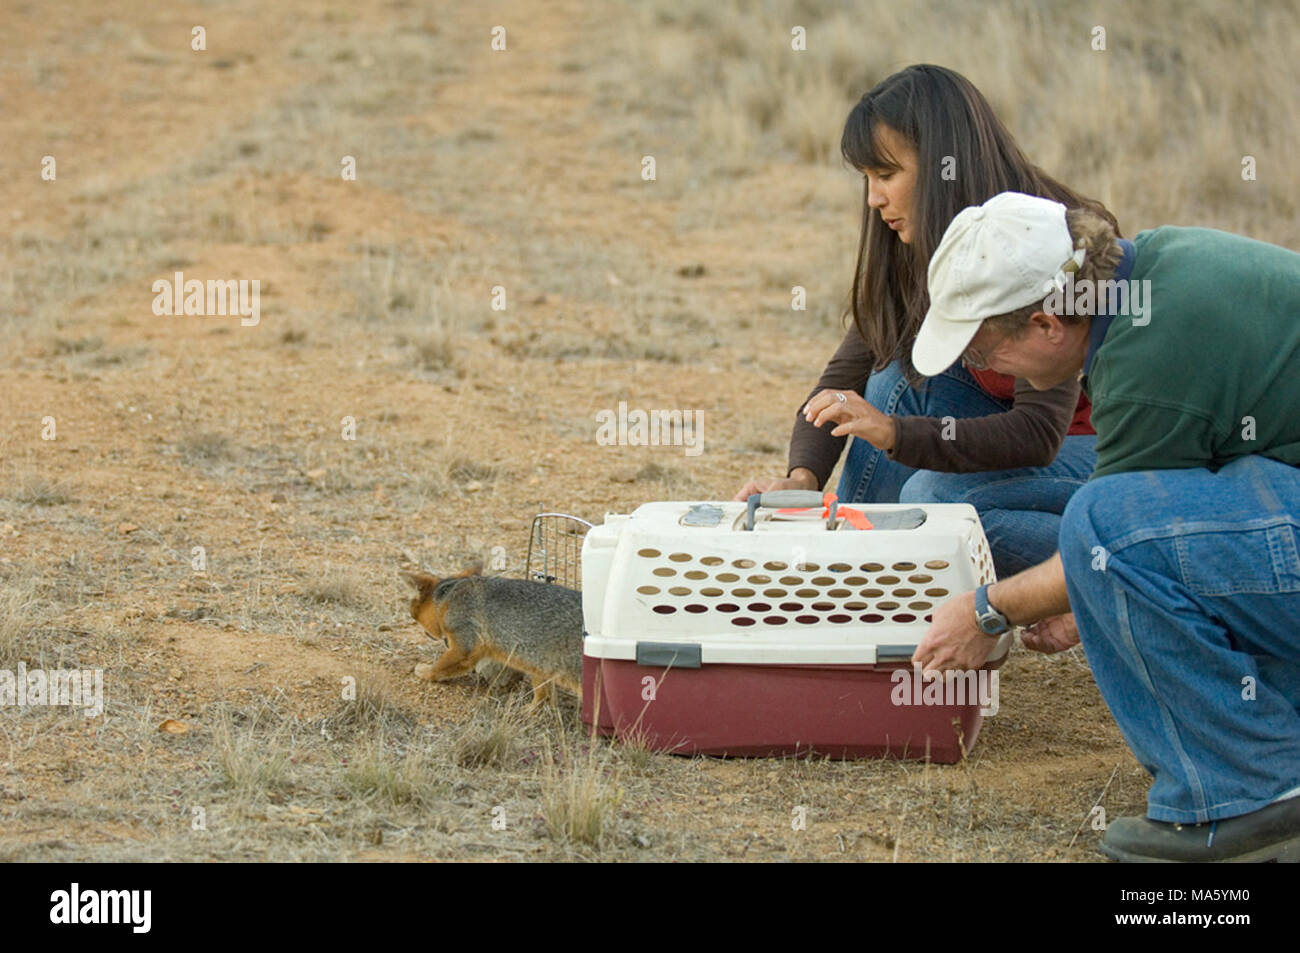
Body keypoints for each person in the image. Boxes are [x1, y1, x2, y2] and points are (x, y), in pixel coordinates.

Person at [911, 190, 1300, 863]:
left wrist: (986, 611)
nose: (981, 370)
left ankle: (1249, 796)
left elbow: (1112, 537)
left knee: (1098, 522)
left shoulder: (1148, 360)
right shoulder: (1158, 269)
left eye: (982, 350)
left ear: (1045, 324)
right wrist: (1094, 591)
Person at [734, 64, 1112, 577]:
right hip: (1014, 445)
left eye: (886, 175)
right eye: (867, 178)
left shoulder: (1040, 234)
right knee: (893, 383)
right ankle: (864, 567)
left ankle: (1117, 568)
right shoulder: (912, 241)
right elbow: (843, 383)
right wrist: (802, 481)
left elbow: (1040, 432)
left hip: (1092, 454)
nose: (873, 198)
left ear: (941, 165)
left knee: (931, 500)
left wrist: (895, 433)